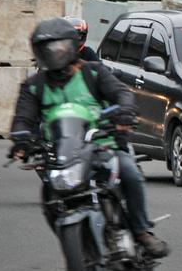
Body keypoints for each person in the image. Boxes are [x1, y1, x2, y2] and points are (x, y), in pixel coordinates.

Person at [10, 18, 169, 257]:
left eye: (60, 47)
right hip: (61, 153)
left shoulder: (93, 72)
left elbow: (121, 93)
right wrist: (21, 140)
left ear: (73, 46)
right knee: (50, 199)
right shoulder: (34, 86)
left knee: (130, 174)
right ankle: (75, 254)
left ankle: (141, 231)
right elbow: (23, 118)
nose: (55, 53)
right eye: (48, 49)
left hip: (102, 144)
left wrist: (125, 112)